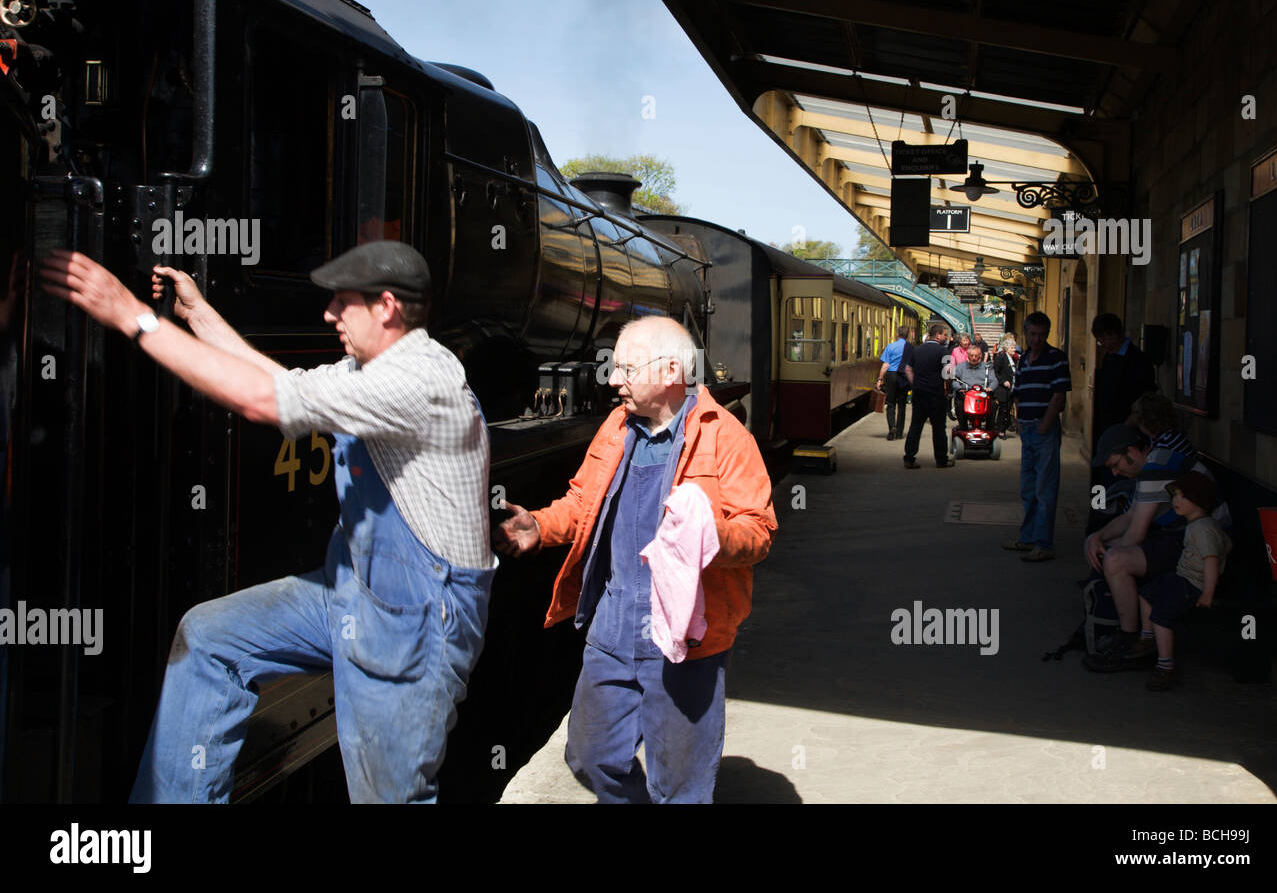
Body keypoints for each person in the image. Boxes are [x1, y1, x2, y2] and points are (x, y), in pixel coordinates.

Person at [38, 241, 496, 803]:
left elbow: (261, 400)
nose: (328, 314)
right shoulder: (372, 367)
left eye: (341, 303)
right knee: (208, 639)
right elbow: (281, 381)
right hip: (352, 595)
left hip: (417, 623)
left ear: (385, 307)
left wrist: (129, 316)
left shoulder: (420, 381)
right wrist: (199, 315)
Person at [492, 316, 776, 803]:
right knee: (589, 755)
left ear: (669, 371)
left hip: (686, 634)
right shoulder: (616, 427)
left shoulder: (725, 437)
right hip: (614, 623)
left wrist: (712, 534)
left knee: (680, 785)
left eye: (624, 368)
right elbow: (583, 502)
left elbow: (760, 530)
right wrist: (539, 527)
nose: (612, 379)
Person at [1080, 421, 1230, 673]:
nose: (1114, 473)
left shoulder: (1156, 468)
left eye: (1116, 464)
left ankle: (1132, 642)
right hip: (1185, 538)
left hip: (1203, 549)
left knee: (1116, 561)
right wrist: (1098, 537)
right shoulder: (1153, 463)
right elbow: (1130, 518)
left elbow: (1136, 532)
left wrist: (1108, 554)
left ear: (1133, 451)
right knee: (1112, 552)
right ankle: (1137, 635)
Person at [1139, 472, 1230, 690]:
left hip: (1193, 585)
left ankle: (1165, 667)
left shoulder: (1203, 529)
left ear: (1199, 501)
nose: (1175, 501)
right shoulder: (1201, 524)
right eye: (1175, 496)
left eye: (1182, 496)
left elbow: (1211, 560)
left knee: (1161, 616)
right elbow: (1227, 544)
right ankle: (1147, 638)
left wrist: (1208, 592)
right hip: (1183, 577)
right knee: (1146, 592)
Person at [1002, 311, 1070, 562]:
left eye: (1042, 335)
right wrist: (1020, 420)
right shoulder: (1024, 359)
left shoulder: (1057, 359)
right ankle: (1028, 538)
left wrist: (1045, 424)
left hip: (1044, 430)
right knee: (1028, 489)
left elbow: (1059, 395)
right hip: (1028, 429)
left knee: (1044, 490)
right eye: (1033, 334)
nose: (1037, 339)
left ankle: (1043, 544)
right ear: (1026, 334)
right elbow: (1018, 391)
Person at [1090, 313, 1156, 451]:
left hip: (1128, 432)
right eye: (1099, 339)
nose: (1102, 343)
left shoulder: (1137, 360)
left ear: (1114, 333)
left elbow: (1143, 398)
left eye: (1103, 338)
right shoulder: (1109, 358)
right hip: (1108, 428)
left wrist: (1125, 428)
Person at [903, 323, 954, 469]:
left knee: (915, 426)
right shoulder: (944, 352)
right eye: (944, 334)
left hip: (919, 394)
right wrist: (947, 388)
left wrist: (915, 384)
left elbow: (907, 369)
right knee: (938, 428)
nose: (946, 337)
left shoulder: (917, 350)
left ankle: (909, 457)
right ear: (937, 335)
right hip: (936, 394)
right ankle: (941, 460)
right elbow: (949, 373)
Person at [875, 325, 911, 440]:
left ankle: (892, 428)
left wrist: (880, 379)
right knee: (902, 405)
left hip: (891, 375)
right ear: (908, 335)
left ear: (897, 334)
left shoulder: (890, 347)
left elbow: (885, 365)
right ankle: (900, 432)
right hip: (904, 377)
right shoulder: (910, 348)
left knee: (890, 404)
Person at [951, 342, 992, 431]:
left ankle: (990, 429)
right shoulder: (960, 367)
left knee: (994, 403)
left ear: (980, 355)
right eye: (971, 355)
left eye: (976, 356)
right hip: (965, 394)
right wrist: (959, 388)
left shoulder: (987, 368)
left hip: (982, 394)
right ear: (968, 355)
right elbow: (954, 380)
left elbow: (994, 380)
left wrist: (991, 387)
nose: (974, 358)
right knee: (959, 402)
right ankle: (963, 427)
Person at [991, 335, 1016, 437]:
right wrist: (1003, 381)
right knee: (1003, 409)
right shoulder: (1001, 357)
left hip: (1011, 388)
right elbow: (996, 372)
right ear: (1006, 348)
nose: (1014, 350)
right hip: (1002, 389)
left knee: (1007, 409)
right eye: (1012, 348)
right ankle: (1000, 430)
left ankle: (1002, 428)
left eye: (1014, 347)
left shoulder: (1014, 358)